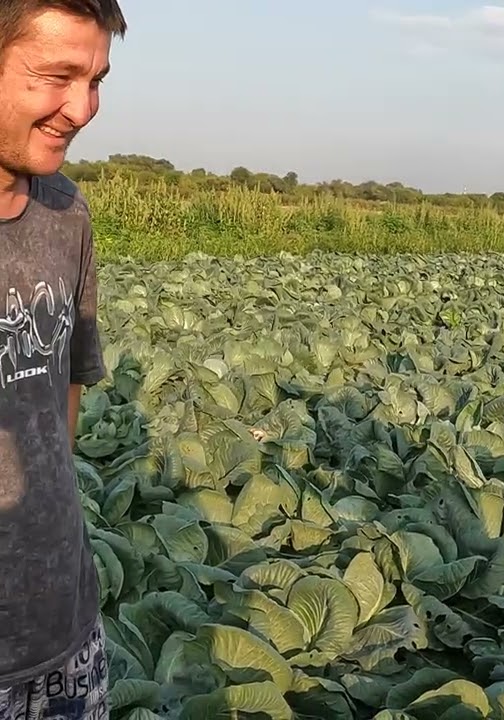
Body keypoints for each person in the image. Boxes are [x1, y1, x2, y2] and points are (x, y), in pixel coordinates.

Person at [0, 2, 127, 719]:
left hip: (63, 634)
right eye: (56, 77)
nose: (81, 109)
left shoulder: (65, 212)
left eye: (97, 79)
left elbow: (61, 398)